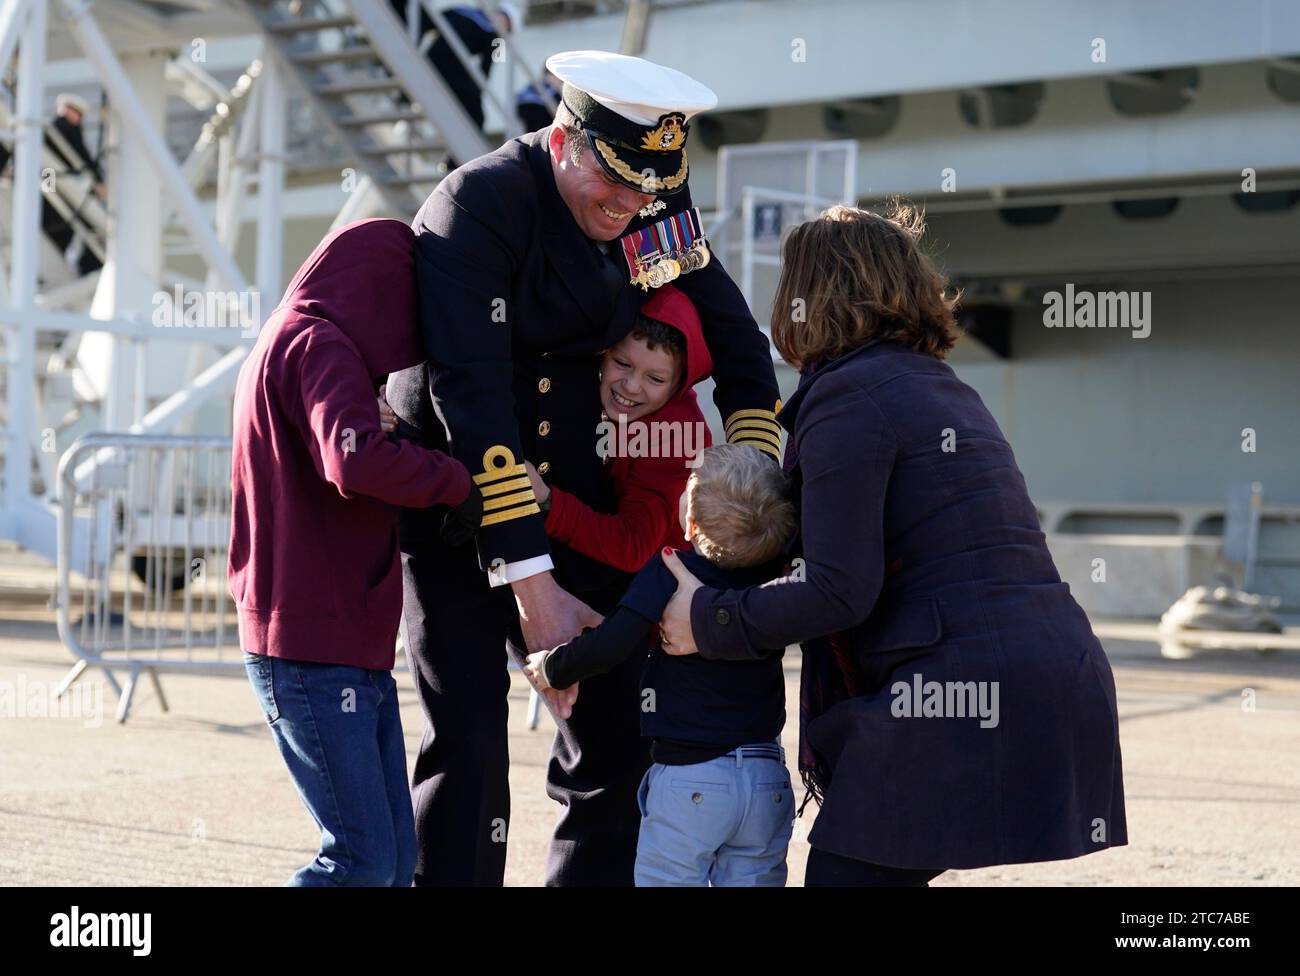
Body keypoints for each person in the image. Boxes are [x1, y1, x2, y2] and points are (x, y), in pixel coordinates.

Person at [384, 50, 783, 887]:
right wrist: (531, 584)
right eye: (615, 184)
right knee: (468, 741)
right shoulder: (480, 204)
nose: (630, 207)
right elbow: (473, 395)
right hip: (465, 500)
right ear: (565, 138)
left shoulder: (650, 199)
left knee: (617, 737)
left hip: (574, 496)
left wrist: (754, 477)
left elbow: (738, 343)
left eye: (648, 188)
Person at [659, 203, 1129, 887]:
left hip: (958, 685)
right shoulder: (943, 389)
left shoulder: (849, 399)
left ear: (807, 296)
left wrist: (705, 621)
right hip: (1046, 672)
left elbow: (839, 588)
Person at [228, 219, 480, 886]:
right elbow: (352, 460)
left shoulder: (299, 335)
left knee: (392, 860)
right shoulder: (321, 343)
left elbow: (343, 449)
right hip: (314, 643)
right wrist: (458, 482)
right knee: (363, 862)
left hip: (331, 642)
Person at [524, 444, 797, 886]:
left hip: (693, 777)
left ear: (689, 524)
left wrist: (555, 666)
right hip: (768, 776)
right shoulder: (776, 582)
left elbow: (612, 644)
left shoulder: (670, 570)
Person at [524, 284, 713, 571]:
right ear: (603, 352)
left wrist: (546, 500)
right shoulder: (587, 390)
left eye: (656, 379)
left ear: (680, 385)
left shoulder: (678, 436)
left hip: (657, 596)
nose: (631, 386)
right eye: (622, 363)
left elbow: (632, 545)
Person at [516, 67, 561, 134]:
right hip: (536, 107)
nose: (559, 82)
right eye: (559, 79)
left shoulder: (536, 83)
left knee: (532, 131)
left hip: (524, 106)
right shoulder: (549, 87)